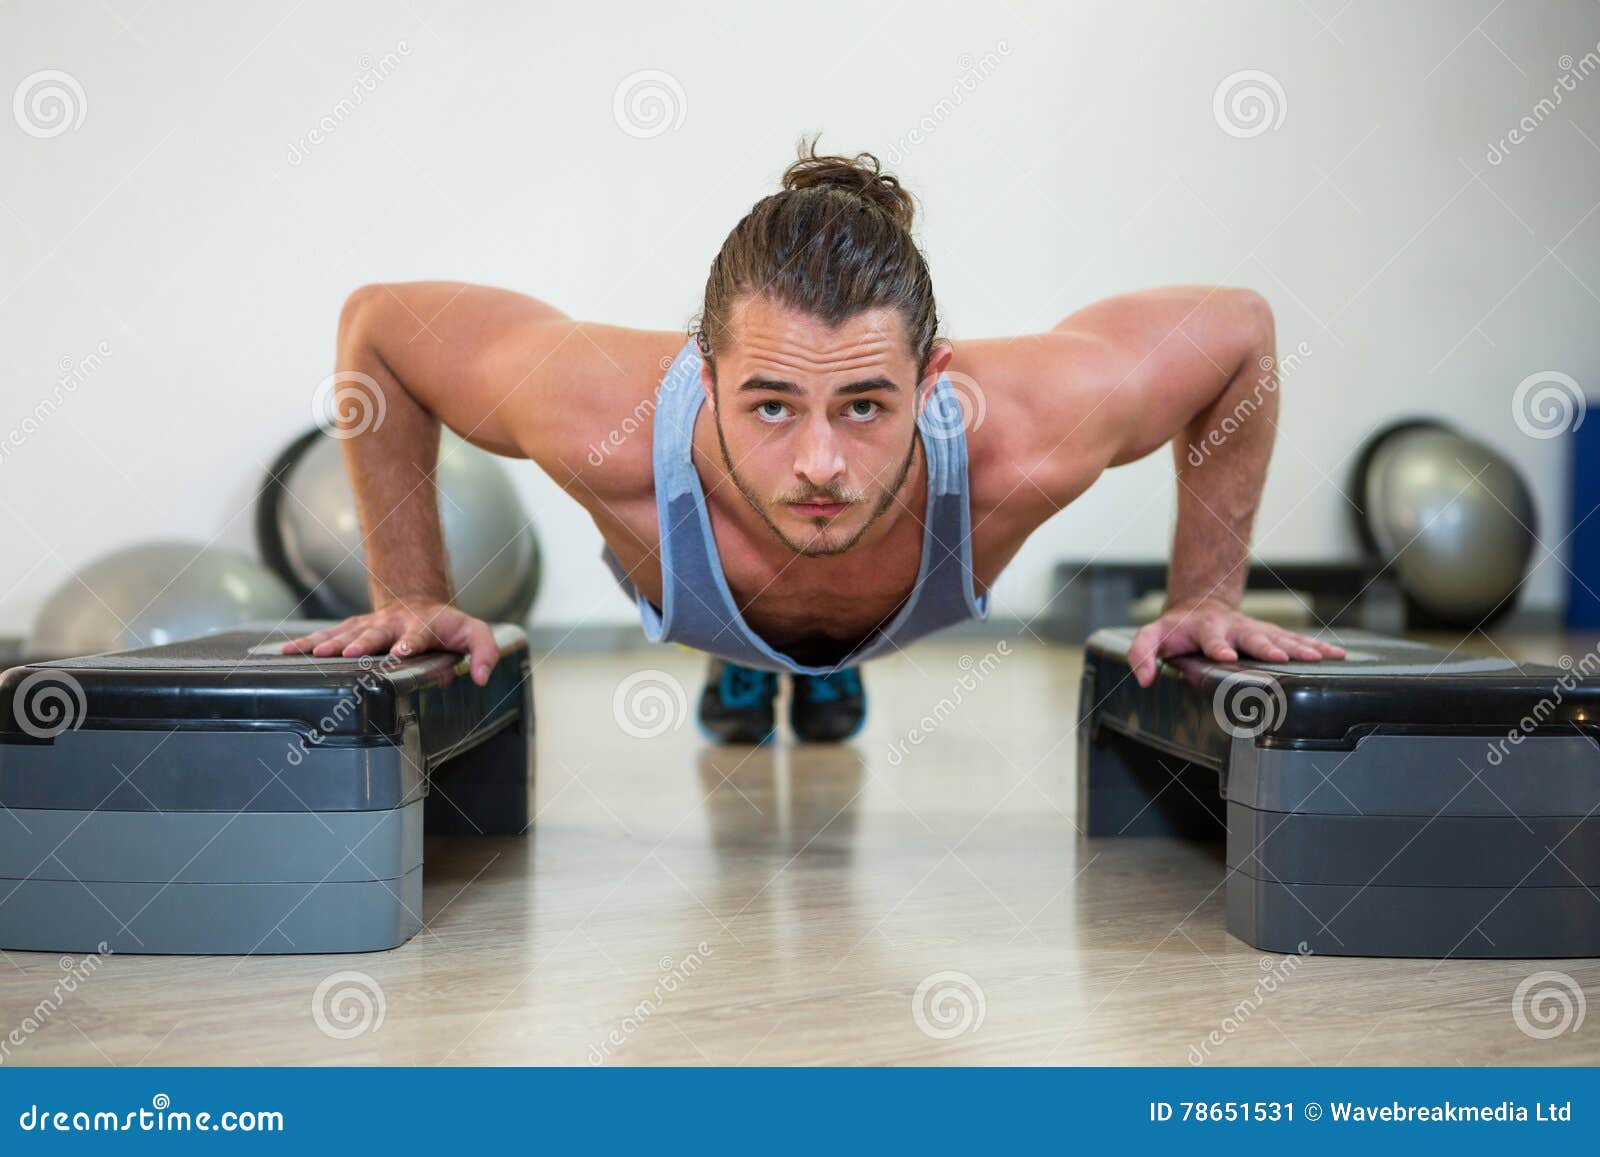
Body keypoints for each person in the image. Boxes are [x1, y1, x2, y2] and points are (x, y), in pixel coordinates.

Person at [281, 136, 1345, 744]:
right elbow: (381, 328)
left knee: (819, 613)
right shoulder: (601, 416)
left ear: (933, 381)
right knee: (770, 630)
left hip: (889, 591)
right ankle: (751, 663)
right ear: (705, 374)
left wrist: (1206, 595)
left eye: (867, 406)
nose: (823, 464)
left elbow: (1237, 332)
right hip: (709, 589)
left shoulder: (1025, 429)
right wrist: (407, 590)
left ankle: (813, 668)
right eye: (772, 404)